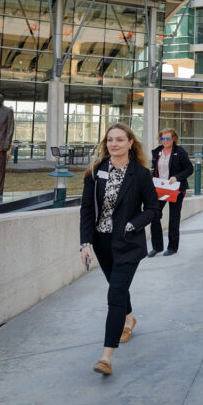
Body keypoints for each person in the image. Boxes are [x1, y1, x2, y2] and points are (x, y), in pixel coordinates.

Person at [79, 123, 160, 376]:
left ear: (130, 143)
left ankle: (106, 357)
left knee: (114, 295)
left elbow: (153, 209)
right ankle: (129, 319)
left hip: (128, 243)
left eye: (119, 140)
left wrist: (133, 224)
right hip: (103, 244)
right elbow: (87, 210)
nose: (113, 144)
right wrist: (85, 243)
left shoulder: (141, 174)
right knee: (118, 287)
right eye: (110, 140)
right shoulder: (95, 171)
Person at [148, 128, 193, 257]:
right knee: (154, 215)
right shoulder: (157, 152)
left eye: (168, 138)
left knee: (174, 218)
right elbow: (155, 169)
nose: (165, 141)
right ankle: (157, 247)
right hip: (160, 188)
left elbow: (189, 169)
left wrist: (177, 177)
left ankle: (172, 247)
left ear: (173, 139)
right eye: (163, 138)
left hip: (175, 189)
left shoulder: (180, 152)